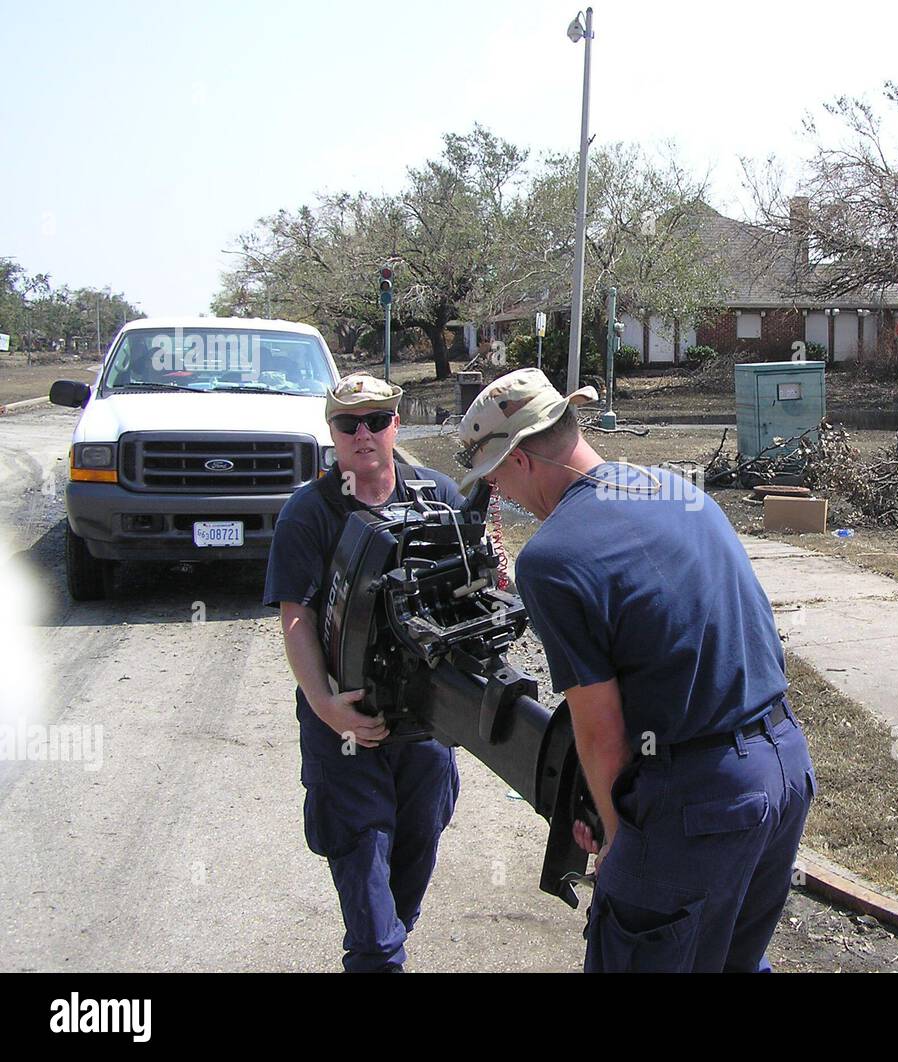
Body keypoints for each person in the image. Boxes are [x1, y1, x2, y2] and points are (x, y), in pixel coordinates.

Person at [456, 367, 816, 973]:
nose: (500, 497)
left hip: (700, 800)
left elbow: (601, 732)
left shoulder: (550, 559)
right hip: (782, 770)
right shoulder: (681, 494)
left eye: (494, 480)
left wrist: (621, 836)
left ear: (518, 460)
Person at [263, 372, 463, 972]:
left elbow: (467, 596)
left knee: (419, 839)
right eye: (349, 424)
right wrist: (325, 704)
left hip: (423, 723)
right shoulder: (309, 512)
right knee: (362, 849)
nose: (364, 434)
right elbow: (295, 616)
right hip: (344, 721)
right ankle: (378, 954)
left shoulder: (439, 494)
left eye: (377, 420)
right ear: (331, 432)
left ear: (396, 424)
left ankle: (387, 941)